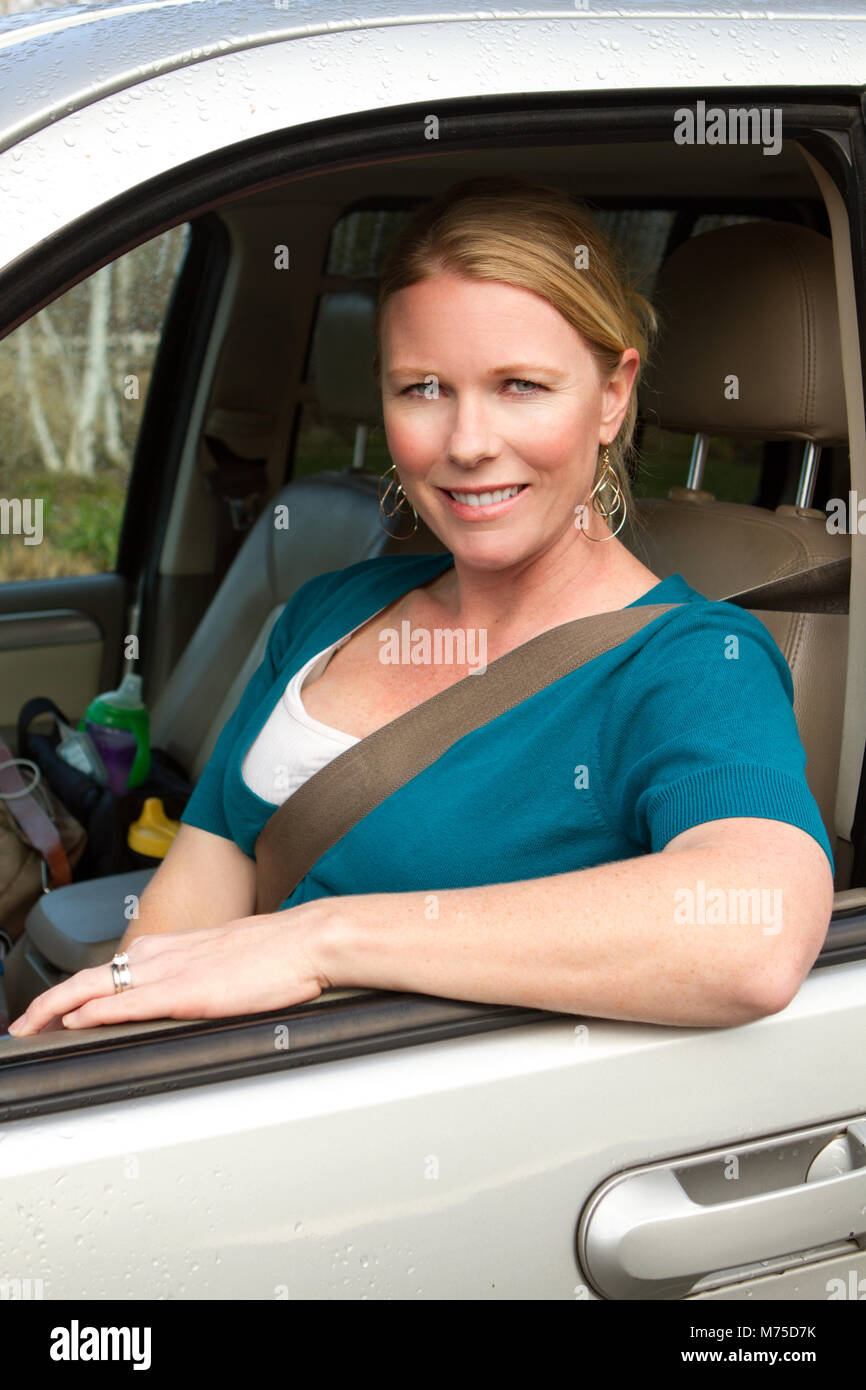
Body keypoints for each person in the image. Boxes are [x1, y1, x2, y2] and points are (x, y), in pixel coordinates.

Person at [8, 176, 833, 1037]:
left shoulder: (692, 663)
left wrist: (317, 939)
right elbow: (183, 920)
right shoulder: (328, 612)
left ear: (613, 395)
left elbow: (752, 928)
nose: (469, 444)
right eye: (424, 388)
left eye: (521, 385)